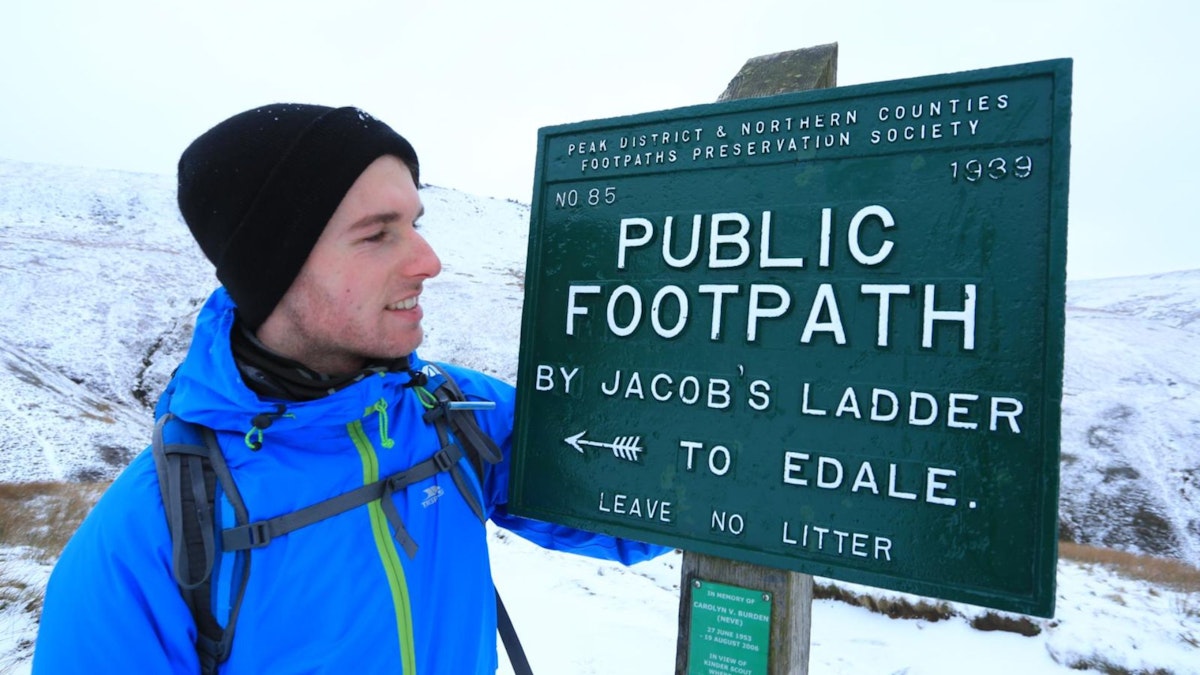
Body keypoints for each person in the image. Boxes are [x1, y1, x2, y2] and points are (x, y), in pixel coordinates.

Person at [33, 103, 668, 674]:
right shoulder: (147, 540)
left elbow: (648, 509)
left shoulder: (454, 411)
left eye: (415, 223)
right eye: (377, 234)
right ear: (273, 266)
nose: (429, 262)